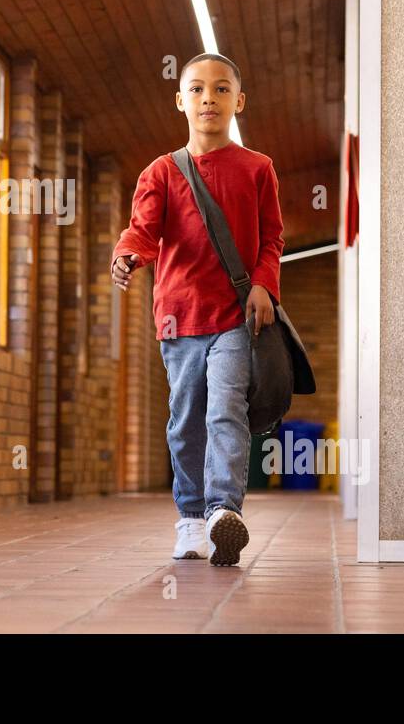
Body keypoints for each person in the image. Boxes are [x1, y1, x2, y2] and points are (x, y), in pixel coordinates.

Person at [110, 53, 284, 566]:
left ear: (239, 101)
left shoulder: (259, 169)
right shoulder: (161, 172)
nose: (210, 97)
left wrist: (263, 286)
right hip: (178, 317)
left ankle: (222, 512)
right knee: (186, 418)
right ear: (180, 100)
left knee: (226, 409)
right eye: (198, 89)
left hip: (235, 315)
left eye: (222, 88)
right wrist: (128, 256)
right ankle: (189, 519)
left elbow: (272, 238)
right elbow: (143, 231)